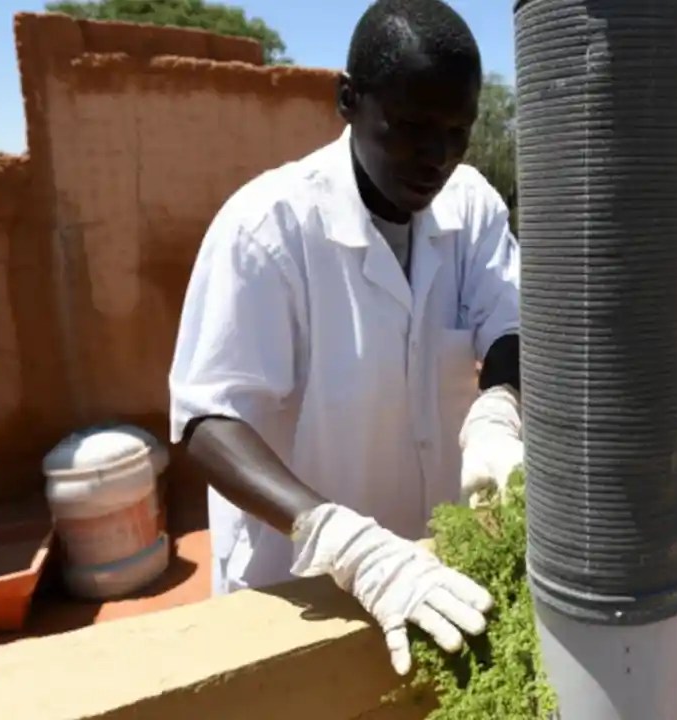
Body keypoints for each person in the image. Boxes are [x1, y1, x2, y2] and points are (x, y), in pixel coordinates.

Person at [167, 0, 522, 676]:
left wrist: (499, 408)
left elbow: (508, 323)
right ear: (348, 100)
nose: (437, 156)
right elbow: (208, 421)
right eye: (413, 126)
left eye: (459, 131)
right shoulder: (267, 230)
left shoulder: (471, 206)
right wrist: (343, 541)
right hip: (299, 597)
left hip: (433, 586)